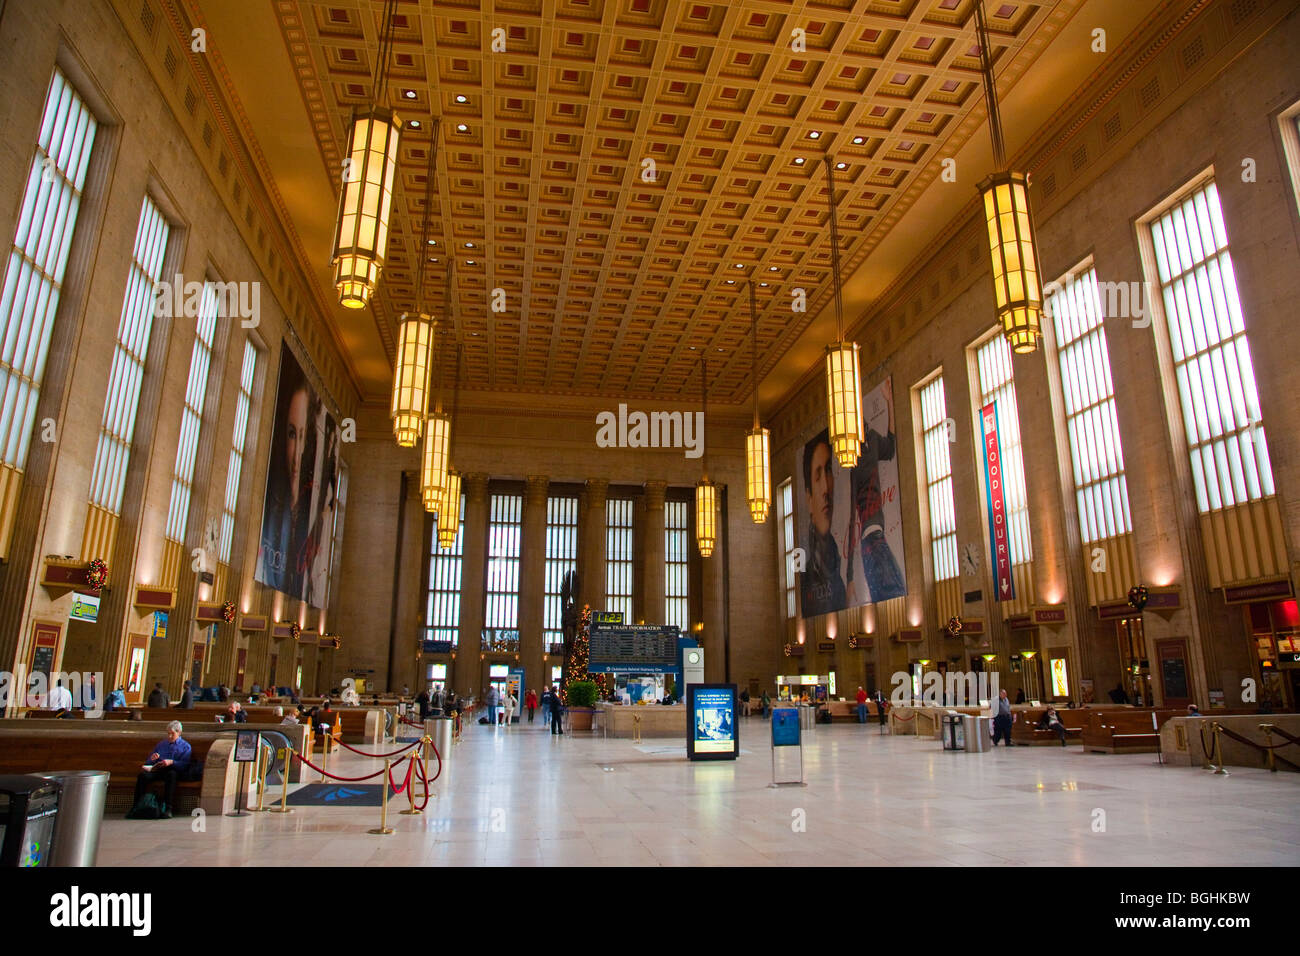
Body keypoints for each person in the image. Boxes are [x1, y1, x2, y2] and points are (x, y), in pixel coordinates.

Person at [801, 432, 848, 616]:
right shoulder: (806, 577)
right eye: (818, 476)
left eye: (828, 470)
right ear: (809, 499)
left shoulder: (843, 568)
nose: (825, 490)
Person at [133, 720, 191, 818]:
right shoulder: (161, 744)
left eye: (172, 734)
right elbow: (149, 761)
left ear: (179, 733)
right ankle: (137, 806)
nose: (169, 736)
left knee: (171, 775)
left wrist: (172, 762)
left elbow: (185, 765)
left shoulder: (185, 746)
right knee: (142, 776)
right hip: (159, 769)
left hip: (174, 771)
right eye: (168, 734)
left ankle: (168, 808)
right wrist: (153, 760)